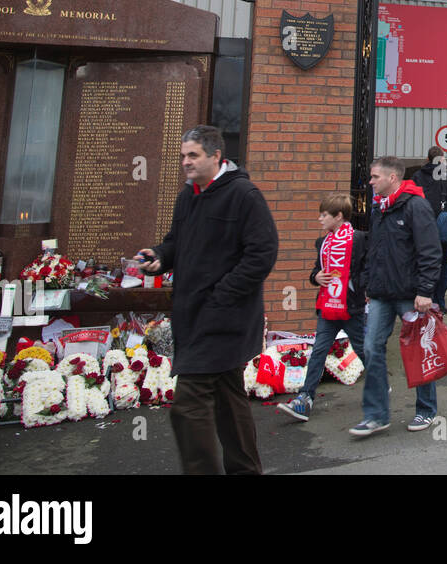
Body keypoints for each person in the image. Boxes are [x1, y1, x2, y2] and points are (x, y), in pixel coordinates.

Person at [136, 124, 278, 475]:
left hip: (224, 319)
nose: (185, 162)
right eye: (183, 155)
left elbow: (262, 253)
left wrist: (223, 295)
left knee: (188, 405)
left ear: (216, 156)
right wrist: (160, 256)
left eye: (193, 155)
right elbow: (176, 242)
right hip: (194, 315)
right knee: (230, 403)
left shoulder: (244, 195)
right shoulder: (188, 196)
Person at [351, 156, 441, 437]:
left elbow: (430, 250)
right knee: (371, 347)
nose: (370, 182)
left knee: (418, 351)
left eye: (375, 177)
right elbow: (373, 250)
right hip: (380, 294)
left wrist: (425, 291)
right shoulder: (379, 208)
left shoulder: (416, 206)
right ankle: (377, 415)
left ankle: (426, 410)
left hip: (410, 295)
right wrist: (367, 284)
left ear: (392, 178)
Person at [279, 194, 368, 421]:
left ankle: (379, 383)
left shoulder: (359, 239)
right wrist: (315, 276)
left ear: (339, 216)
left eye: (324, 215)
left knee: (364, 349)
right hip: (327, 306)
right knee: (319, 350)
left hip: (351, 307)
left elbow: (368, 269)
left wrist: (359, 288)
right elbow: (316, 270)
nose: (320, 219)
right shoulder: (324, 243)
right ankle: (305, 398)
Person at [412, 146, 447, 314]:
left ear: (428, 159)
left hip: (422, 225)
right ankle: (440, 303)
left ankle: (424, 298)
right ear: (442, 159)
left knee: (423, 263)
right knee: (442, 264)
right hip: (444, 225)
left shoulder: (418, 176)